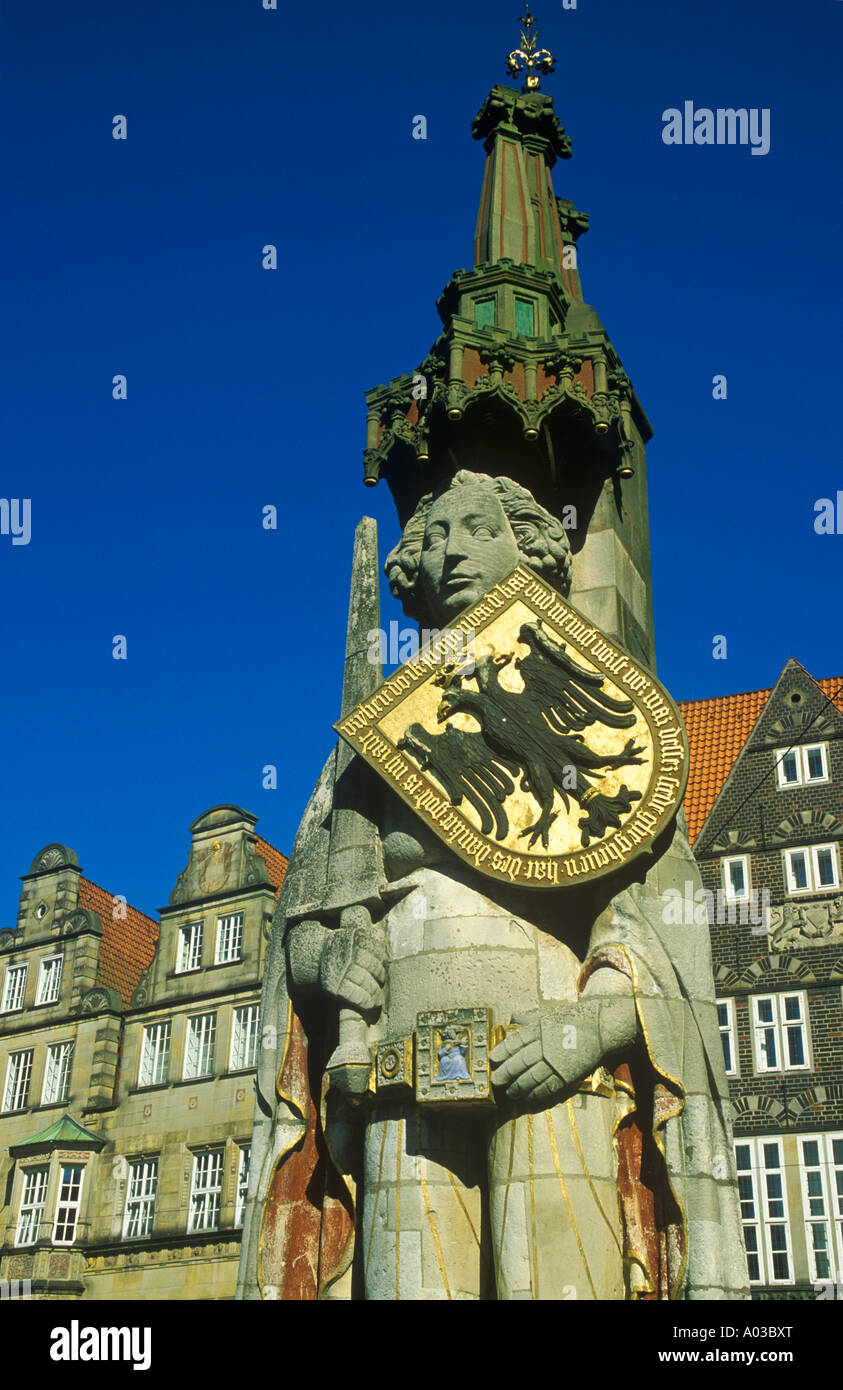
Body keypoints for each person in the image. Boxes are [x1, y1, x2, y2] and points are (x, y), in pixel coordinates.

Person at [237, 471, 749, 1301]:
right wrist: (326, 963)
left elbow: (650, 924)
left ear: (532, 546)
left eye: (475, 529)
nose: (450, 554)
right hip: (395, 1066)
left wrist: (589, 1027)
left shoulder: (588, 697)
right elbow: (306, 919)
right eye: (433, 538)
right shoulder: (372, 740)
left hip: (548, 1053)